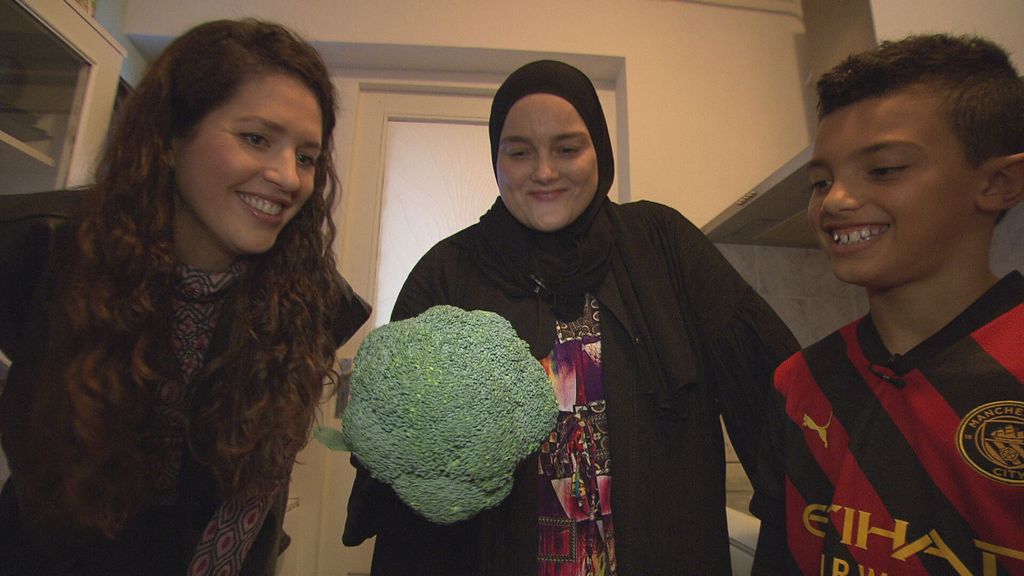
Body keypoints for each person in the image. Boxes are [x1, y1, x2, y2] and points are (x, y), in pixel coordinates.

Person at [343, 59, 799, 575]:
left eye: (567, 148)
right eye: (519, 152)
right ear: (496, 159)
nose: (543, 171)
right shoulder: (448, 271)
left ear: (599, 153)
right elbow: (392, 445)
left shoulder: (663, 245)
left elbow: (778, 399)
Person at [0, 19, 370, 576]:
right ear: (171, 138)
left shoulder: (310, 301)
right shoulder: (37, 252)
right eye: (256, 138)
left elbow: (249, 508)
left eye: (307, 157)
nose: (288, 177)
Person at [751, 34, 1024, 575]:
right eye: (820, 181)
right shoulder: (801, 382)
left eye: (884, 169)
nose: (835, 200)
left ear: (998, 182)